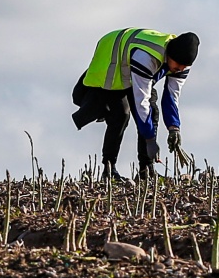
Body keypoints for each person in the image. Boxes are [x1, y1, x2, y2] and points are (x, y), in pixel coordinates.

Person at [71, 29, 198, 180]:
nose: (180, 69)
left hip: (134, 71)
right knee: (120, 114)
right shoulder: (147, 57)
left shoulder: (181, 64)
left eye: (184, 67)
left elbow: (171, 97)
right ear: (169, 55)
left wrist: (174, 128)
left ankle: (146, 170)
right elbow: (141, 102)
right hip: (113, 64)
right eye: (178, 65)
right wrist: (150, 140)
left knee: (153, 112)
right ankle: (109, 170)